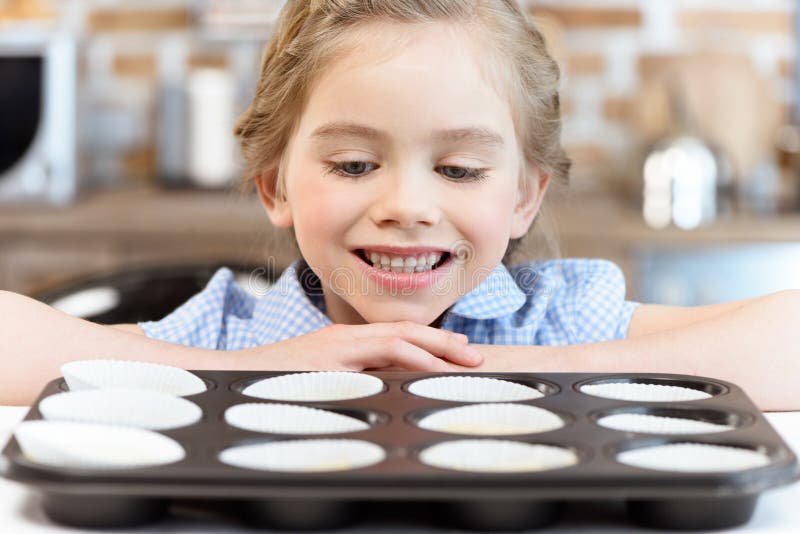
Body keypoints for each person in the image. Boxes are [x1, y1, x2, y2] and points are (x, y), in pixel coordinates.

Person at [1, 0, 798, 410]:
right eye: (354, 164)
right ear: (276, 186)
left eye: (458, 169)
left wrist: (514, 373)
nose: (408, 206)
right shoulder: (226, 336)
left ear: (524, 198)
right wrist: (246, 373)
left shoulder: (557, 320)